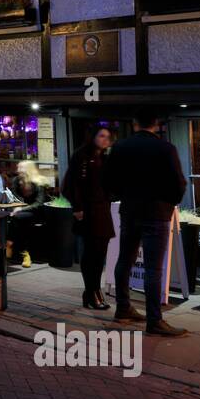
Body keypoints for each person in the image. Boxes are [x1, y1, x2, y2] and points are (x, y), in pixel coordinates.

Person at [103, 111, 189, 338]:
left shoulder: (121, 147)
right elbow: (179, 183)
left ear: (134, 123)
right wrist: (169, 203)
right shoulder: (165, 149)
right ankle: (154, 320)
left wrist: (125, 195)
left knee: (125, 259)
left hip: (130, 210)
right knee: (153, 268)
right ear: (156, 123)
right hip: (157, 212)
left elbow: (109, 180)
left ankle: (123, 308)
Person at [63, 125, 115, 310]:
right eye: (101, 135)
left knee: (100, 252)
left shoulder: (105, 157)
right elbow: (70, 184)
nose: (105, 139)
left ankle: (94, 290)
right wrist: (77, 208)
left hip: (103, 209)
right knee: (91, 252)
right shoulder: (81, 156)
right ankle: (91, 291)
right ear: (93, 136)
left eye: (107, 136)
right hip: (88, 210)